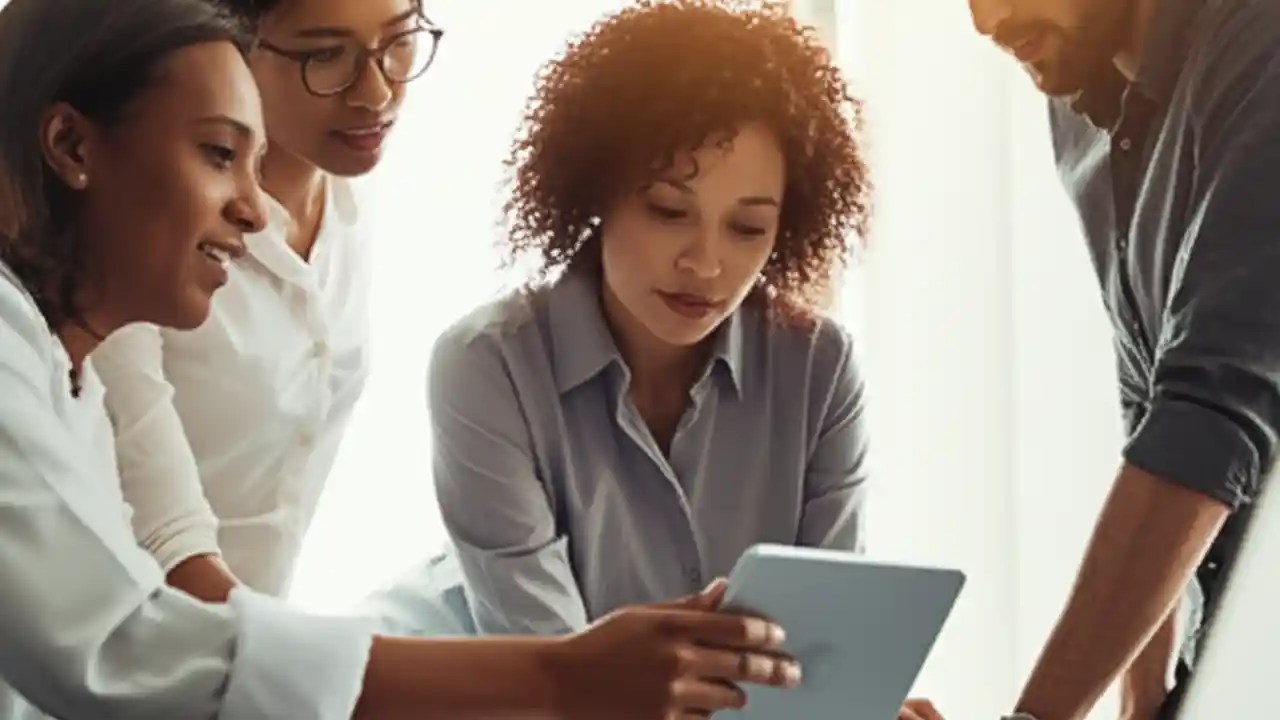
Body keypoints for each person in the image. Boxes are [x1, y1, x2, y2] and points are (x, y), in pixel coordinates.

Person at [0, 0, 803, 716]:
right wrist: (562, 676)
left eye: (396, 44)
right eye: (217, 153)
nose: (253, 212)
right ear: (70, 143)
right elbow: (127, 639)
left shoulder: (58, 367)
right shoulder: (28, 346)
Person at [402, 2, 940, 718]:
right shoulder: (486, 366)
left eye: (748, 227)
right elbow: (563, 683)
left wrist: (860, 707)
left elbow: (819, 657)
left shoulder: (820, 368)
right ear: (598, 191)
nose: (707, 263)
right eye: (667, 210)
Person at [967, 0, 1280, 718]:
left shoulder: (1261, 38)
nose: (987, 22)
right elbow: (1152, 399)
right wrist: (1143, 699)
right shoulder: (1076, 101)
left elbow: (1215, 409)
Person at [91, 0, 427, 600]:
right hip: (129, 652)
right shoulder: (141, 242)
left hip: (242, 650)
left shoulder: (348, 207)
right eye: (326, 55)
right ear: (226, 42)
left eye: (400, 41)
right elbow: (170, 546)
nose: (377, 93)